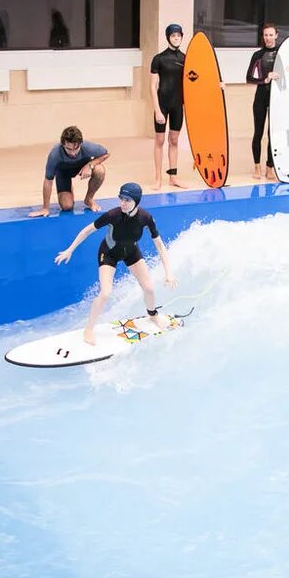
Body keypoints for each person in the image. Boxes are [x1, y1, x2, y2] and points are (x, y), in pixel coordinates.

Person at [55, 183, 178, 345]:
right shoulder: (112, 215)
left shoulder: (145, 218)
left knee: (148, 288)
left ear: (136, 201)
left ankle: (152, 314)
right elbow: (87, 230)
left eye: (127, 200)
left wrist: (168, 272)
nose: (123, 203)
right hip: (109, 253)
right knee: (106, 293)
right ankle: (89, 329)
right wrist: (70, 250)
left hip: (131, 252)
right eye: (121, 199)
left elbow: (160, 245)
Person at [30, 126, 109, 218]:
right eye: (69, 149)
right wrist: (45, 208)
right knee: (67, 206)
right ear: (63, 144)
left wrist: (90, 165)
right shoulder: (55, 154)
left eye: (76, 149)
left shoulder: (88, 147)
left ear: (81, 144)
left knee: (100, 170)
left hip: (82, 167)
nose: (73, 153)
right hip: (64, 173)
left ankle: (89, 199)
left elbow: (106, 154)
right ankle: (68, 190)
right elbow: (48, 180)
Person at [150, 23, 187, 190]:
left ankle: (173, 177)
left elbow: (195, 82)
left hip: (177, 105)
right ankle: (158, 178)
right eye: (173, 36)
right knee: (160, 140)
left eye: (179, 35)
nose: (176, 38)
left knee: (174, 140)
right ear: (168, 37)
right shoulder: (159, 59)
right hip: (162, 105)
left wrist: (218, 84)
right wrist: (157, 110)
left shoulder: (186, 58)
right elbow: (152, 86)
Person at [245, 23, 280, 180]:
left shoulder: (282, 54)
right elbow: (249, 78)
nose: (268, 38)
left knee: (272, 134)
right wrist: (265, 79)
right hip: (261, 97)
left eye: (271, 35)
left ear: (276, 35)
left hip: (277, 99)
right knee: (258, 133)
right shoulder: (257, 55)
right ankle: (257, 167)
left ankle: (269, 168)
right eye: (266, 35)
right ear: (263, 36)